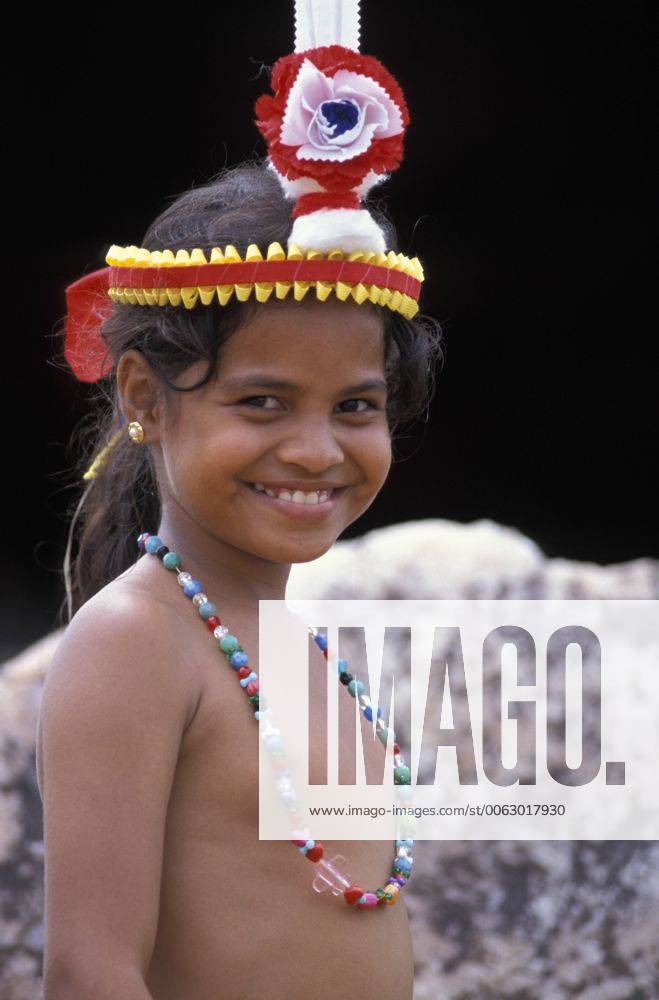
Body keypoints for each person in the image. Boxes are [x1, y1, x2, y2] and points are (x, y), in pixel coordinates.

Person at [37, 8, 442, 998]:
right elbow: (93, 970)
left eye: (355, 406)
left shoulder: (287, 638)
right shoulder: (133, 641)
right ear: (144, 397)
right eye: (261, 401)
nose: (314, 448)